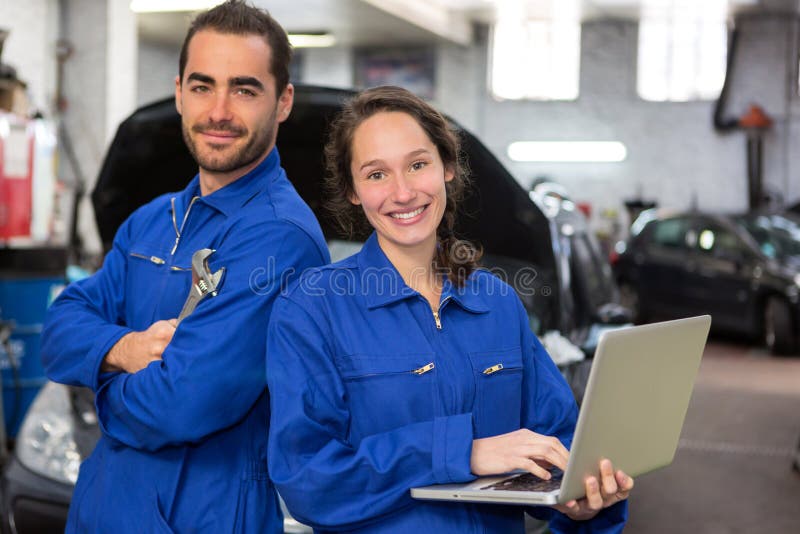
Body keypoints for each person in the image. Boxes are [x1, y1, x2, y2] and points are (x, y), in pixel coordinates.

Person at [266, 86, 633, 533]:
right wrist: (462, 452)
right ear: (353, 190)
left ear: (447, 168)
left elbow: (558, 441)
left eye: (417, 165)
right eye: (377, 174)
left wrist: (581, 500)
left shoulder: (497, 304)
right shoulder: (312, 309)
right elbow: (308, 480)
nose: (403, 192)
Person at [40, 1, 329, 532]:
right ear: (179, 92)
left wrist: (97, 382)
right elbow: (57, 331)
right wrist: (123, 349)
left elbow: (181, 404)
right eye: (202, 86)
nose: (218, 110)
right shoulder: (152, 220)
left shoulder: (280, 238)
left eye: (244, 90)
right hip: (101, 509)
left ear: (282, 101)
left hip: (200, 516)